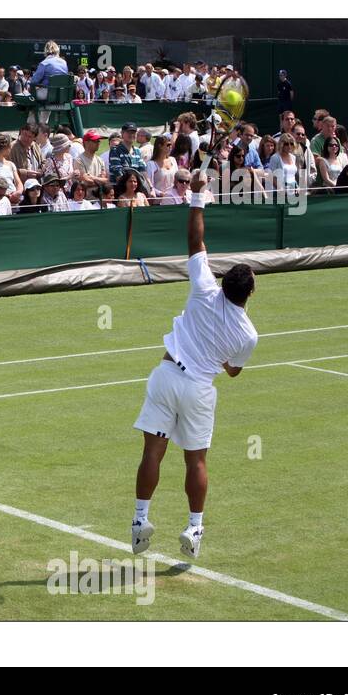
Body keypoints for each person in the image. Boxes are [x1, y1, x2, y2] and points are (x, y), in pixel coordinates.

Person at [131, 171, 258, 560]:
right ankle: (194, 527)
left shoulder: (204, 286)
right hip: (201, 389)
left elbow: (195, 239)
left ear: (223, 284)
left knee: (153, 453)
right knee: (196, 459)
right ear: (248, 294)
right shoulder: (248, 335)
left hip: (166, 375)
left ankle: (140, 521)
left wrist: (199, 194)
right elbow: (233, 371)